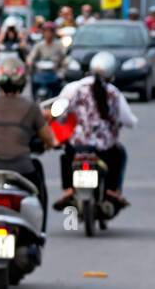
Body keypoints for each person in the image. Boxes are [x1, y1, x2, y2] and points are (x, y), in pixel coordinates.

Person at [0, 55, 57, 227]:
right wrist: (50, 145)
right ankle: (40, 230)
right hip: (22, 169)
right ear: (23, 82)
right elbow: (47, 136)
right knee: (38, 186)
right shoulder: (31, 107)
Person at [52, 50, 136, 210]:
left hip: (78, 145)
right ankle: (112, 190)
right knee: (120, 154)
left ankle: (68, 189)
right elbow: (128, 120)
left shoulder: (74, 88)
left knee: (65, 156)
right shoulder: (113, 92)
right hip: (104, 148)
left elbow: (59, 112)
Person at [27, 21, 66, 97]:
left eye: (50, 31)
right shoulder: (39, 45)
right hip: (40, 72)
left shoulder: (59, 45)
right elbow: (32, 56)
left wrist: (62, 69)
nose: (48, 34)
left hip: (55, 72)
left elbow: (64, 58)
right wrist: (30, 61)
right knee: (33, 82)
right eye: (46, 31)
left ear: (54, 33)